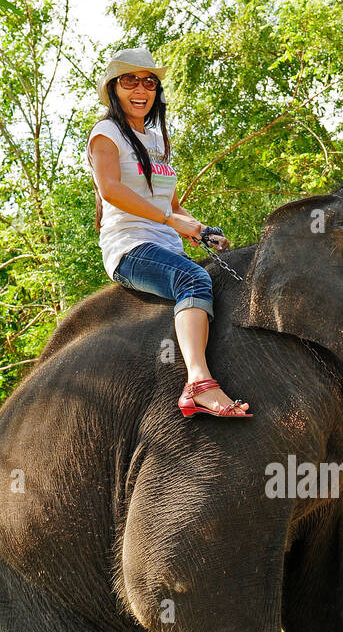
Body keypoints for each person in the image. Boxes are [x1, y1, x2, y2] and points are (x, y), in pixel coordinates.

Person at [87, 48, 251, 418]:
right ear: (113, 89)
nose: (140, 89)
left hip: (166, 244)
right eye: (129, 81)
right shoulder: (106, 133)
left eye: (149, 81)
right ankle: (198, 383)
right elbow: (111, 188)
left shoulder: (157, 138)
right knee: (193, 280)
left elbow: (174, 206)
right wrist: (169, 220)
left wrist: (200, 230)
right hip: (130, 248)